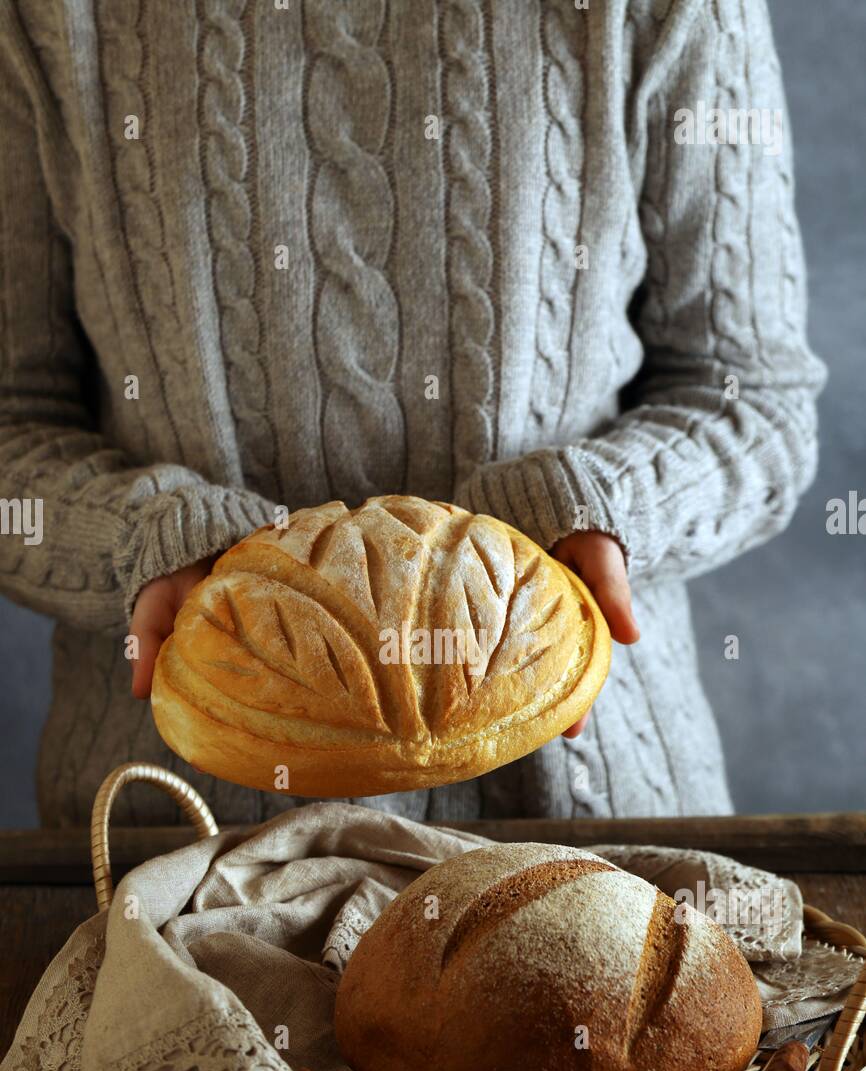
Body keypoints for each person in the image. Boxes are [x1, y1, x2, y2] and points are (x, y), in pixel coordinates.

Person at [0, 0, 825, 828]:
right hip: (176, 841)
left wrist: (600, 503)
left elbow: (751, 395)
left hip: (590, 826)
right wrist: (143, 539)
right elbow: (13, 419)